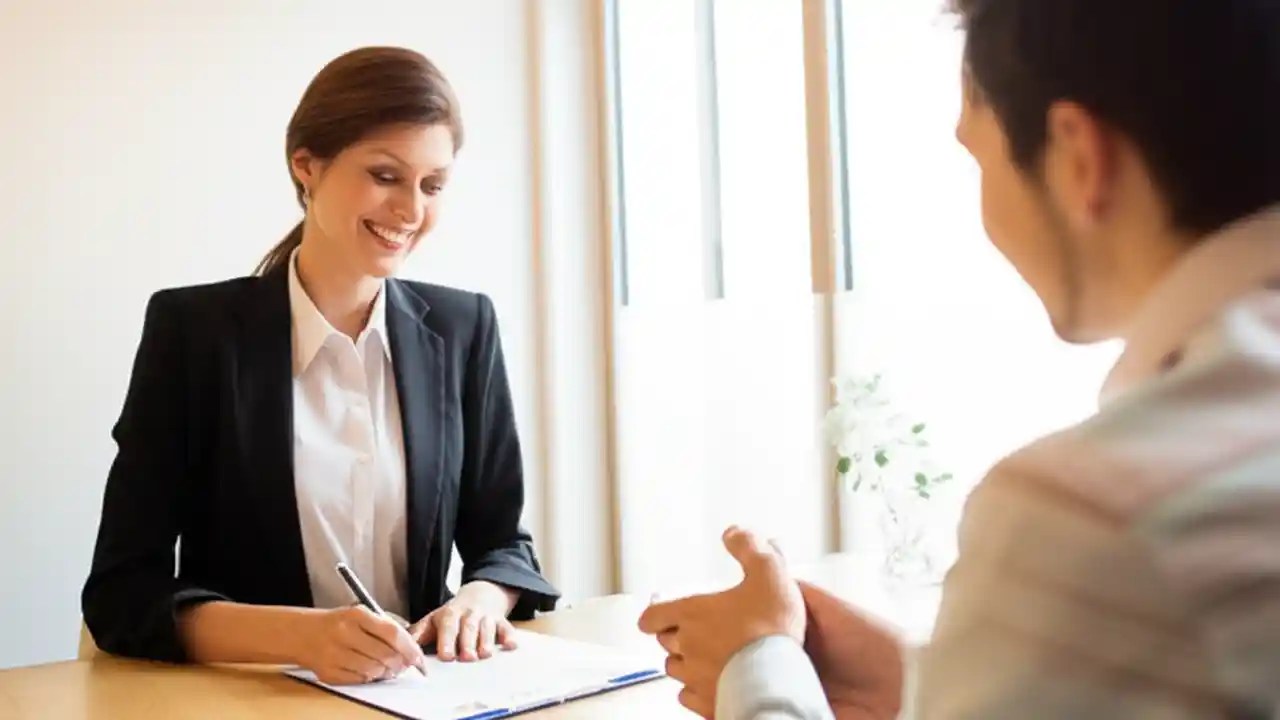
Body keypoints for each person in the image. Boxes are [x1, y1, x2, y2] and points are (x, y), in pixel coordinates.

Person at [639, 0, 1280, 716]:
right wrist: (926, 681)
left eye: (976, 153)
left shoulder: (1098, 513)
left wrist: (758, 664)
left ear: (1078, 156)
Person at [82, 46, 559, 686]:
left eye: (433, 185)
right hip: (252, 696)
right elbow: (122, 592)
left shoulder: (463, 328)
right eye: (386, 176)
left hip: (423, 693)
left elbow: (504, 546)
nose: (412, 212)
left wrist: (479, 600)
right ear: (305, 165)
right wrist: (304, 637)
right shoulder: (193, 334)